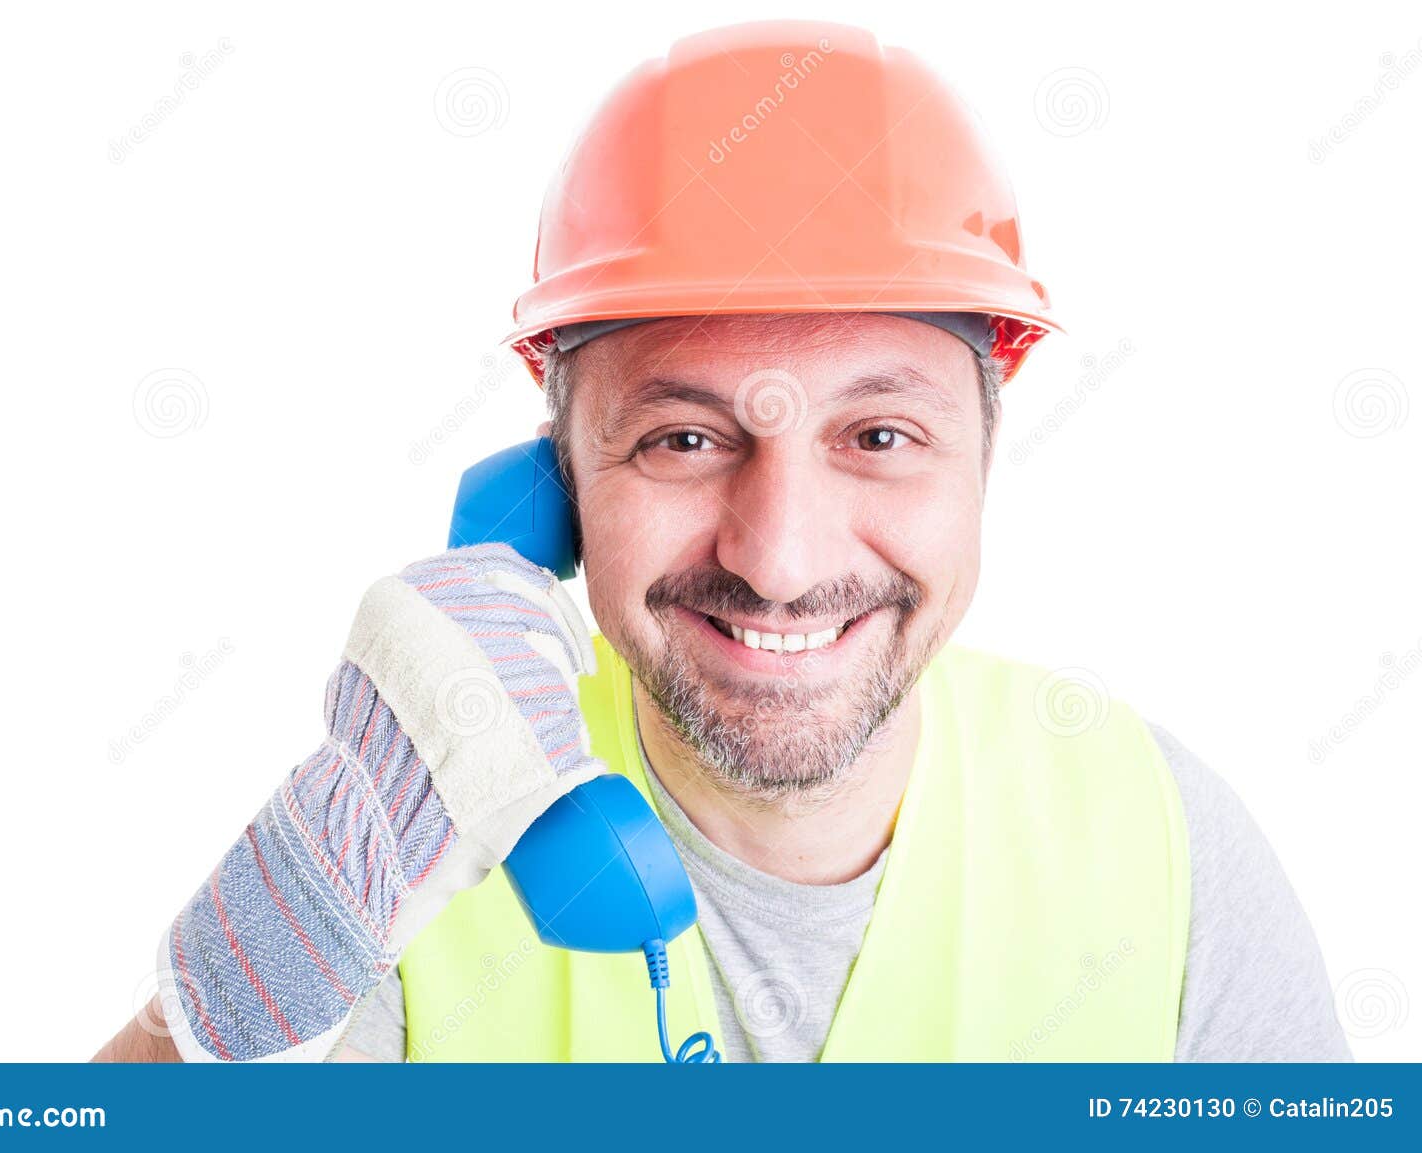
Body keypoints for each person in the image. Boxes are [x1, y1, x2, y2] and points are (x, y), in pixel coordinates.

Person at [95, 19, 1349, 1063]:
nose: (780, 560)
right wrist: (233, 978)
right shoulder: (420, 829)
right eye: (682, 442)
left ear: (984, 447)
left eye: (879, 435)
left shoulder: (1157, 842)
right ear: (553, 481)